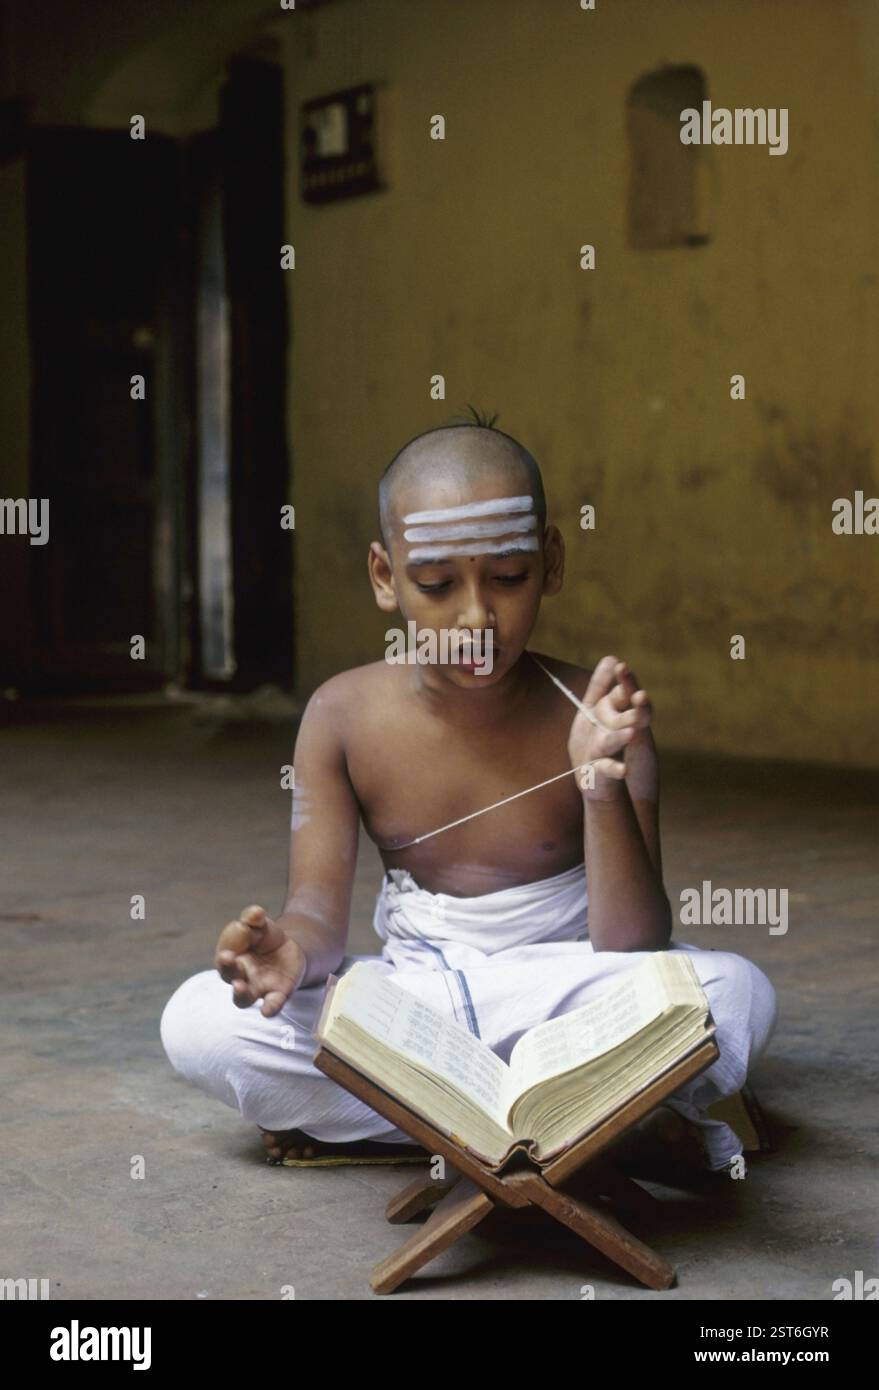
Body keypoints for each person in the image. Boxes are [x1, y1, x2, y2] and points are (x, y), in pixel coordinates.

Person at [160, 418, 777, 1172]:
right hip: (425, 1003)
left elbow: (632, 942)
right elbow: (318, 911)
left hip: (571, 996)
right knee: (197, 1022)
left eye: (508, 578)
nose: (477, 617)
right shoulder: (341, 715)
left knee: (737, 994)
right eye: (436, 584)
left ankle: (434, 1125)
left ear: (550, 562)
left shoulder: (598, 710)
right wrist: (290, 950)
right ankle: (594, 1126)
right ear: (386, 577)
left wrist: (597, 788)